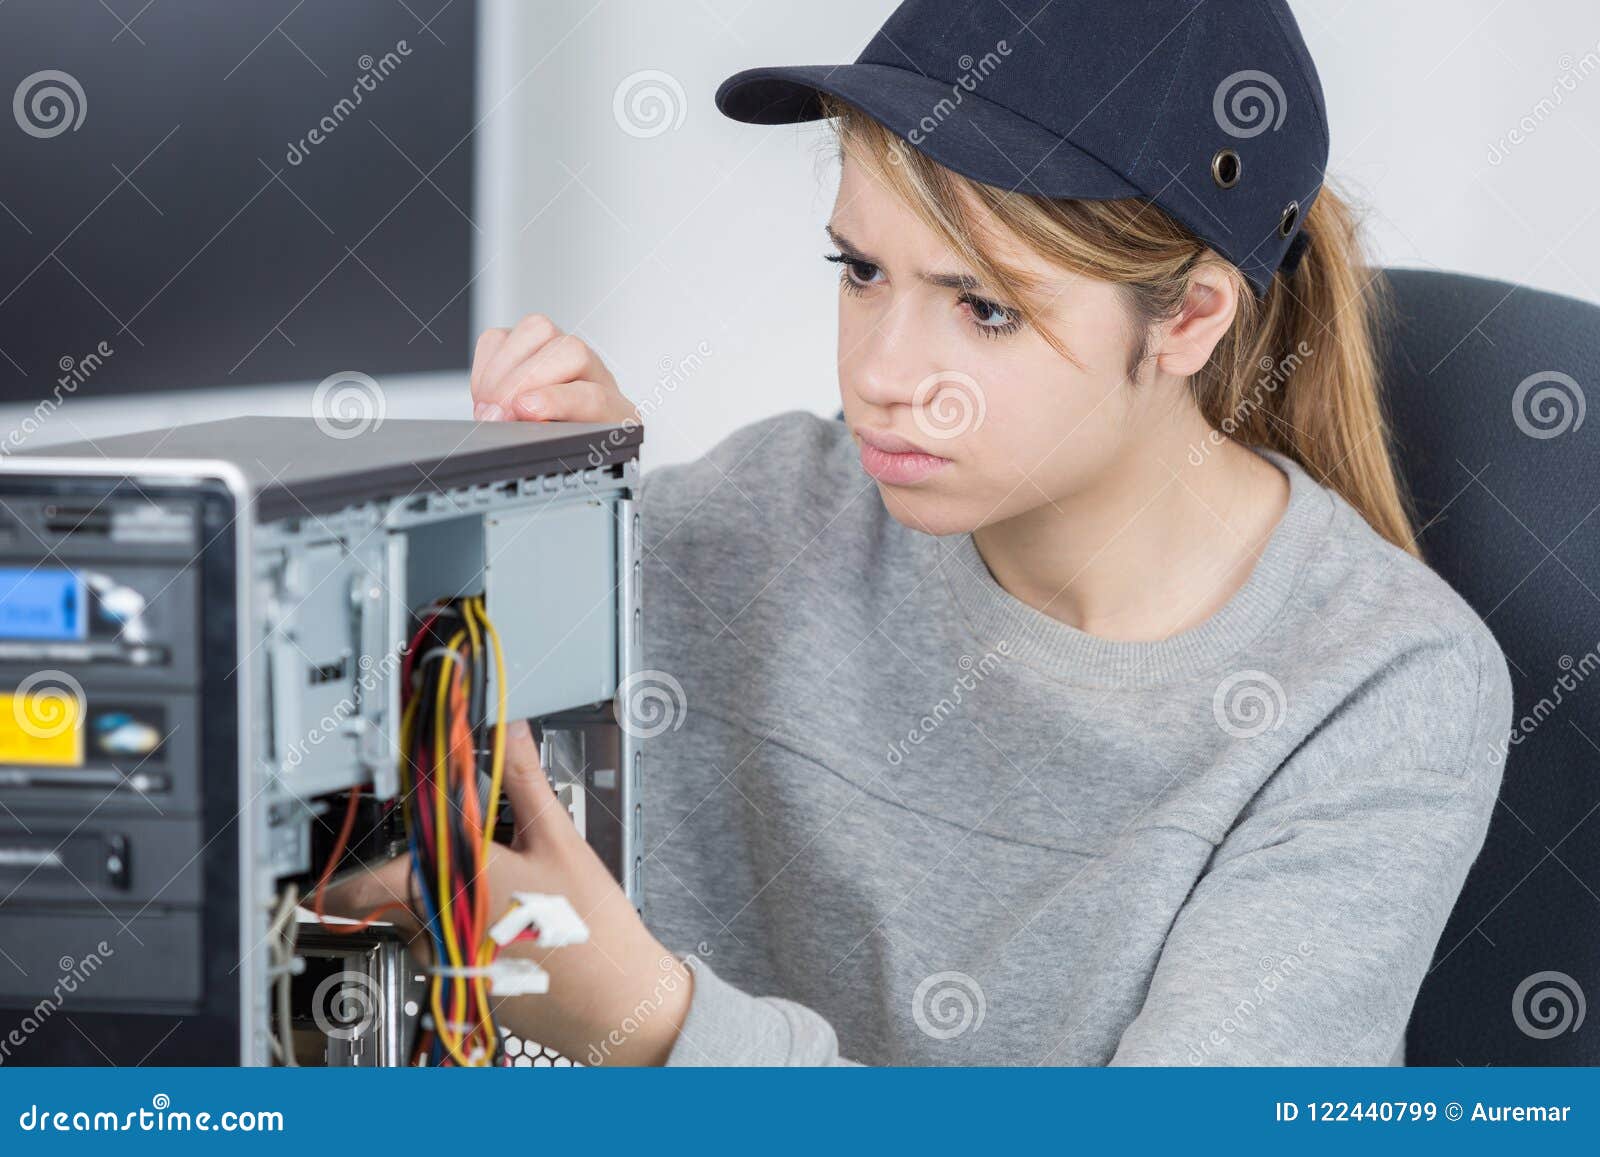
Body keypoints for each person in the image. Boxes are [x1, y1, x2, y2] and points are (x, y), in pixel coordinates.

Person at [327, 0, 1514, 1065]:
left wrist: (660, 1028)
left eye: (984, 307)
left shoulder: (1378, 685)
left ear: (1191, 316)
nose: (881, 374)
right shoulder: (766, 509)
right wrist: (556, 529)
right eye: (860, 270)